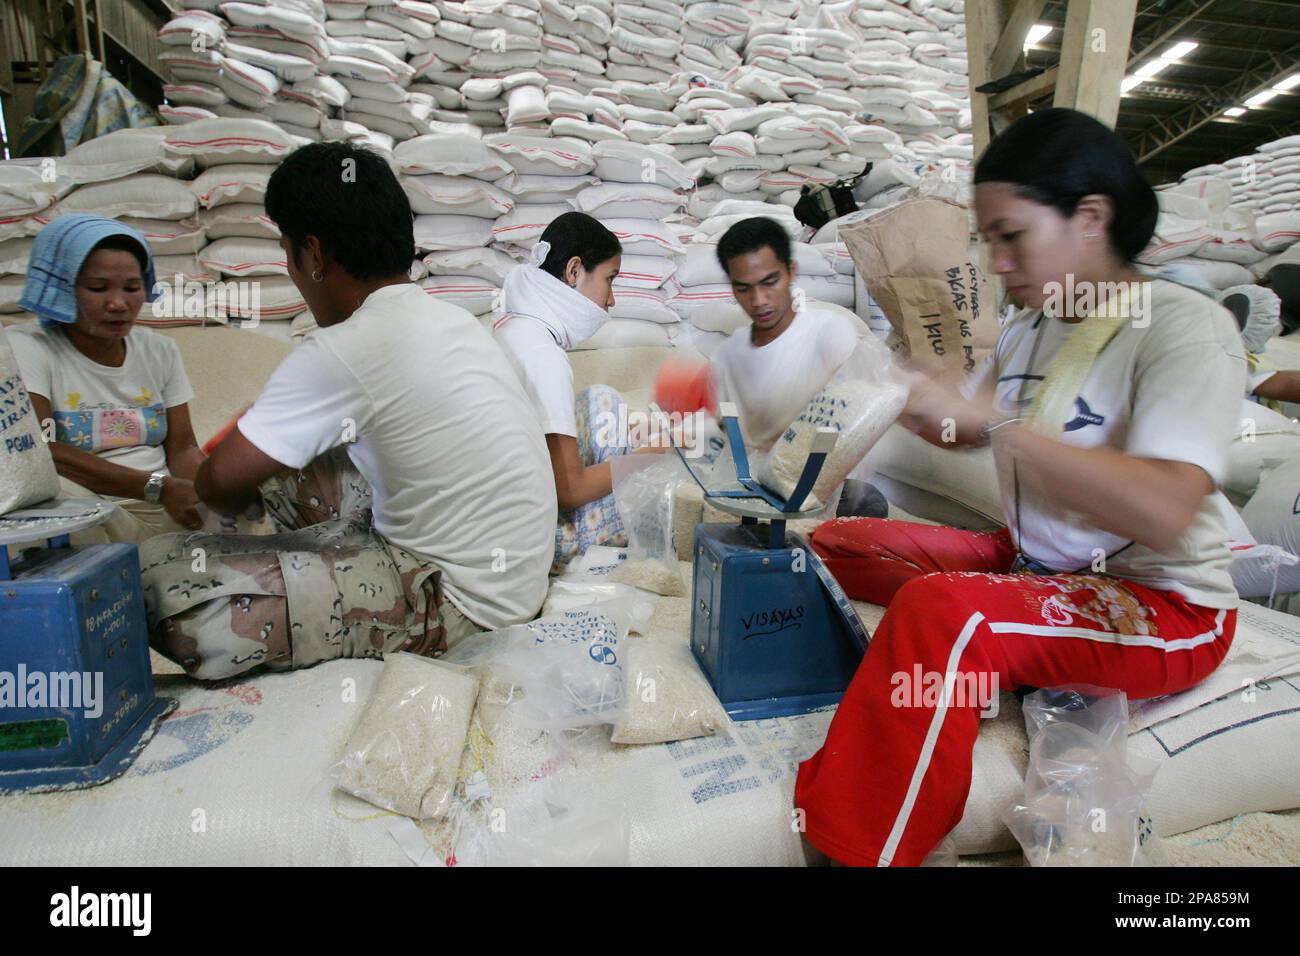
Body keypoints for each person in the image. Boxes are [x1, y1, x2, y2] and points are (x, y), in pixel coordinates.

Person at [796, 108, 1246, 866]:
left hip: (1157, 601)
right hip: (1038, 562)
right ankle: (991, 644)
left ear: (1091, 218)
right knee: (841, 542)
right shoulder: (1028, 326)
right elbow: (968, 429)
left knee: (942, 614)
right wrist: (898, 399)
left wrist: (997, 426)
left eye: (1011, 236)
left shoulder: (1180, 326)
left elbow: (1166, 510)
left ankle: (855, 846)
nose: (997, 262)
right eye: (989, 240)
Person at [138, 142, 556, 680]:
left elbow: (217, 483)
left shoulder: (345, 348)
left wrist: (190, 491)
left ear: (313, 255)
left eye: (288, 253)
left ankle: (302, 576)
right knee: (289, 454)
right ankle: (312, 567)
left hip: (461, 605)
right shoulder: (450, 320)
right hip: (512, 577)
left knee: (158, 579)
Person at [12, 214, 204, 544]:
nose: (118, 304)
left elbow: (184, 450)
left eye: (131, 288)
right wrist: (156, 487)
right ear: (61, 289)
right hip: (90, 506)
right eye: (98, 288)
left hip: (164, 504)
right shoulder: (26, 347)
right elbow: (42, 449)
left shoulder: (159, 350)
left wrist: (213, 491)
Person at [709, 216, 887, 516]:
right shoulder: (727, 355)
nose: (758, 300)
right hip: (754, 488)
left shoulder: (830, 332)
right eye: (743, 289)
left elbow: (855, 418)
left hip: (819, 486)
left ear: (791, 272)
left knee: (867, 503)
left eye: (770, 282)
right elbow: (725, 434)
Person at [493, 211, 642, 566]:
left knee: (604, 413)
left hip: (498, 512)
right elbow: (570, 490)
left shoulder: (514, 328)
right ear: (575, 271)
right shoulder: (543, 356)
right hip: (522, 535)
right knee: (605, 403)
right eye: (610, 279)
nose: (611, 299)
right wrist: (651, 456)